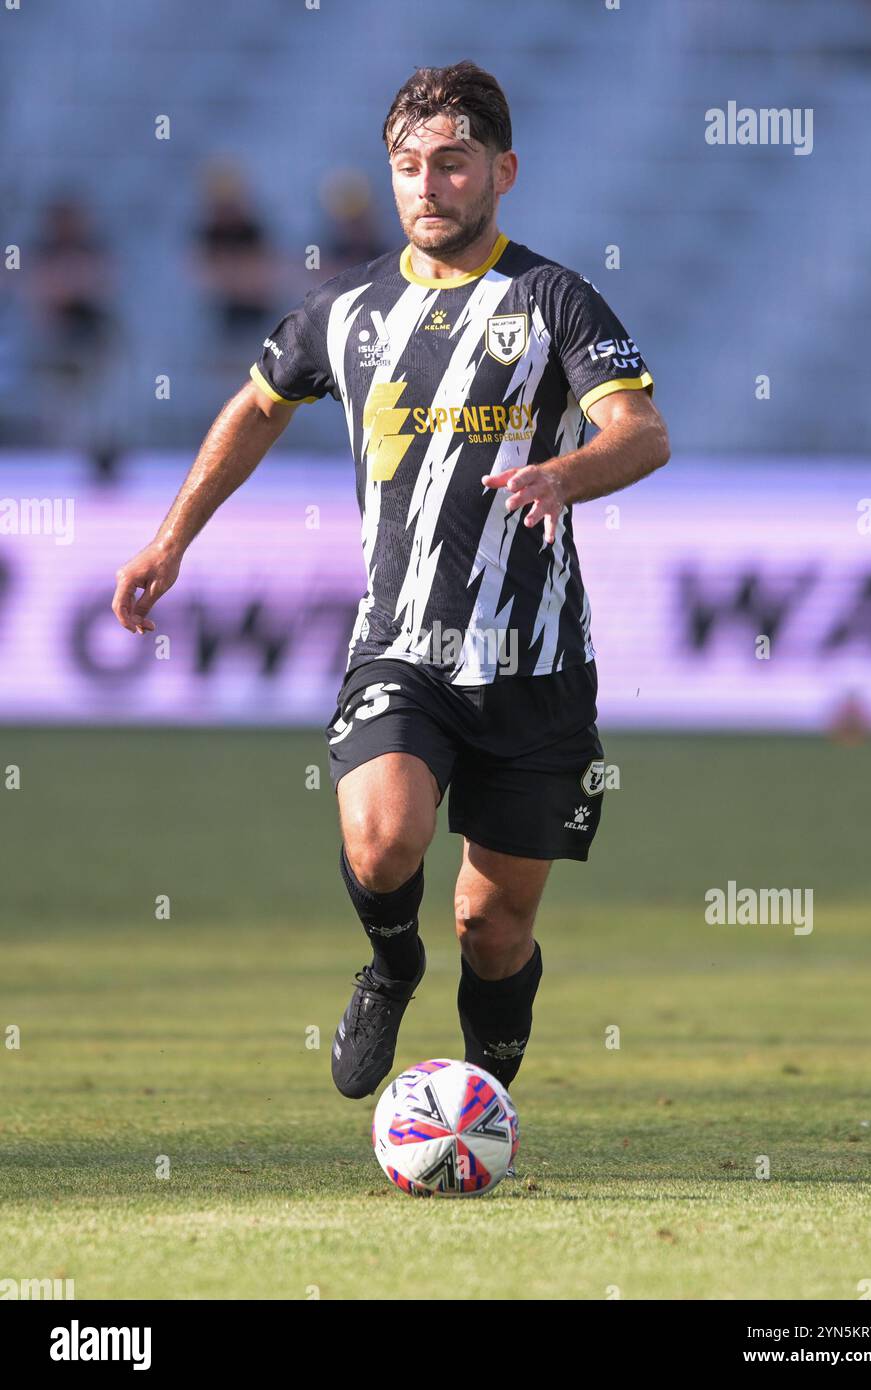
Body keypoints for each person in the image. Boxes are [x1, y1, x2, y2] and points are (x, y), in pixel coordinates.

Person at [111, 59, 670, 1107]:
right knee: (381, 842)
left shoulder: (553, 299)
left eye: (452, 164)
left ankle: (475, 1106)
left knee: (492, 929)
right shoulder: (350, 307)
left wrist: (564, 470)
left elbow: (641, 432)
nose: (427, 185)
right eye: (408, 165)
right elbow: (262, 402)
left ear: (502, 171)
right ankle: (389, 968)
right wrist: (171, 536)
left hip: (535, 664)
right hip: (401, 645)